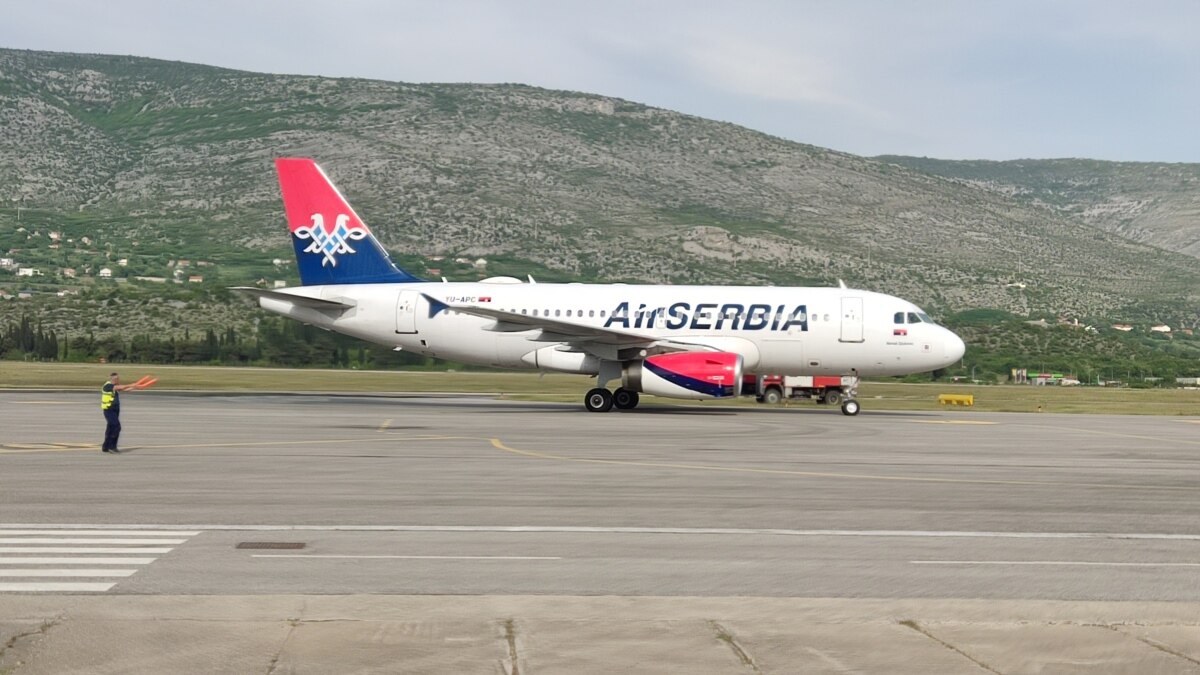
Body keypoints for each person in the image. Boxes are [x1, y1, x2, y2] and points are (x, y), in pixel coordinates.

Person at [100, 372, 145, 454]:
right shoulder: (108, 386)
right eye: (116, 379)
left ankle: (105, 447)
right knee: (116, 427)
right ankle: (112, 447)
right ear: (112, 379)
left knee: (110, 428)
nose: (117, 380)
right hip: (109, 410)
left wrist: (135, 387)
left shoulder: (114, 386)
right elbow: (119, 387)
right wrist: (131, 384)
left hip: (115, 409)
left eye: (118, 378)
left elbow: (123, 389)